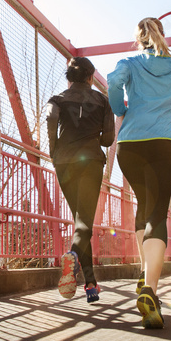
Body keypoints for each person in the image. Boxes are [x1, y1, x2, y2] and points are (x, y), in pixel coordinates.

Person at [107, 17, 171, 329]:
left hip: (129, 144)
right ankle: (150, 291)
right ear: (161, 35)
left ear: (139, 38)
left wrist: (121, 109)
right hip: (163, 142)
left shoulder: (128, 62)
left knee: (144, 205)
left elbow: (113, 83)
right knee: (157, 212)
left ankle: (145, 275)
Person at [46, 56, 116, 303]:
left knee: (80, 221)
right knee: (84, 222)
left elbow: (50, 118)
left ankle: (90, 283)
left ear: (70, 78)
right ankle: (73, 256)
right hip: (90, 163)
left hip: (64, 162)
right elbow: (108, 140)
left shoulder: (57, 99)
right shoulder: (103, 101)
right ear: (90, 77)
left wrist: (54, 150)